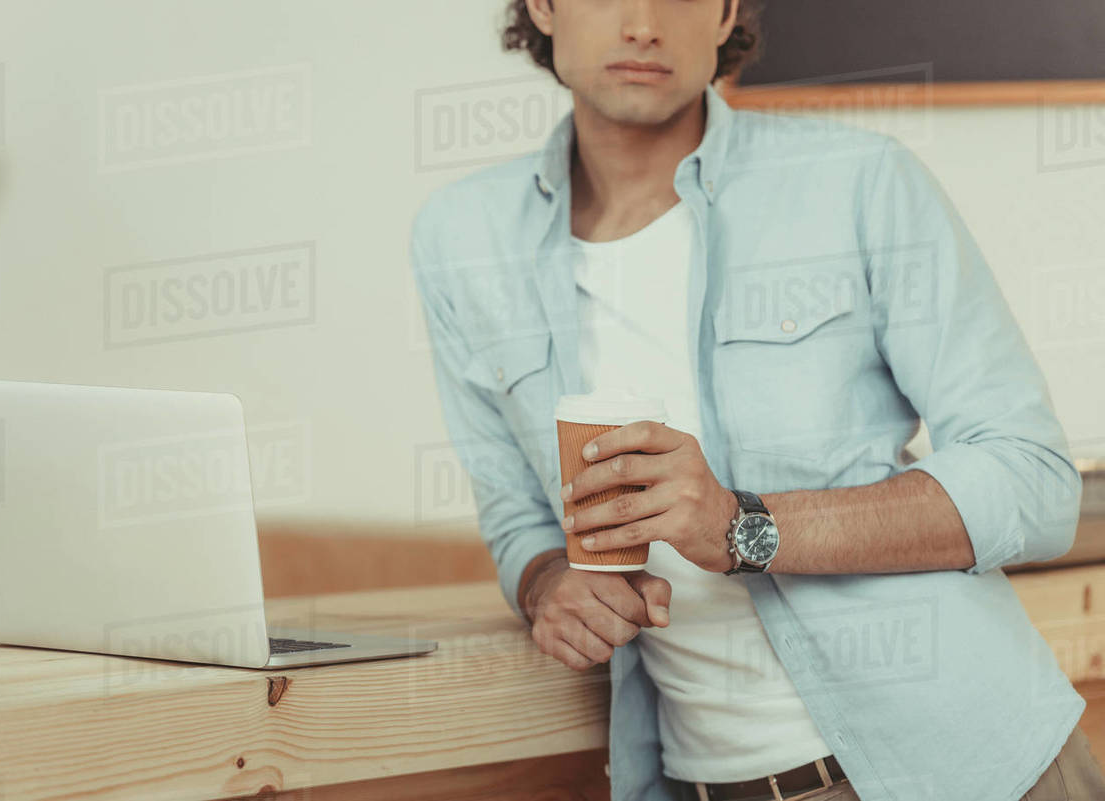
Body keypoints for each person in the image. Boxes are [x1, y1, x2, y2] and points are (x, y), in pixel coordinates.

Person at [409, 2, 1105, 799]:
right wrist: (546, 585)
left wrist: (744, 525)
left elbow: (1034, 478)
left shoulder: (859, 182)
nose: (642, 23)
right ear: (542, 5)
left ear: (729, 10)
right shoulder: (460, 242)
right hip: (699, 781)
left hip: (967, 768)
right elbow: (518, 519)